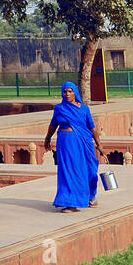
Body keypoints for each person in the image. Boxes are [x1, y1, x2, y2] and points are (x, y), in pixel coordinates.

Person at [43, 81, 104, 212]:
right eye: (65, 91)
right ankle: (71, 202)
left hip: (83, 143)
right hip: (66, 143)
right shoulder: (59, 108)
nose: (67, 94)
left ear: (75, 92)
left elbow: (92, 127)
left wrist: (99, 144)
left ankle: (89, 196)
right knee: (70, 171)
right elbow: (53, 125)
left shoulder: (84, 108)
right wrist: (47, 138)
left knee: (90, 169)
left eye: (70, 91)